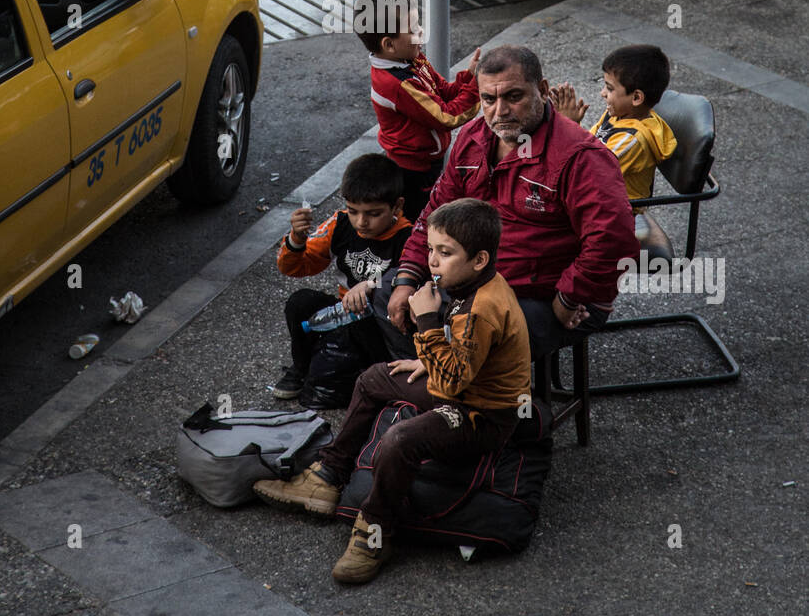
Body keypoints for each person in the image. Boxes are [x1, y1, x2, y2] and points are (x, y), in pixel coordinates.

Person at [253, 198, 530, 585]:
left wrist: (428, 323)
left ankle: (375, 531)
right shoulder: (468, 282)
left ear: (480, 259)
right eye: (431, 249)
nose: (432, 261)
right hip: (459, 384)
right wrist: (426, 358)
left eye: (445, 253)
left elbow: (452, 381)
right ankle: (327, 476)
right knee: (371, 379)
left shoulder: (482, 308)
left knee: (400, 439)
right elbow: (459, 357)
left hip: (480, 414)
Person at [387, 44, 638, 360]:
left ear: (543, 90)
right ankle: (434, 393)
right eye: (489, 100)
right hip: (473, 280)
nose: (499, 111)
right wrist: (408, 275)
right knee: (389, 293)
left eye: (513, 97)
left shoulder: (582, 158)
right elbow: (436, 213)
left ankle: (469, 401)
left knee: (472, 336)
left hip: (547, 298)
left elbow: (613, 242)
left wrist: (569, 297)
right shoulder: (472, 139)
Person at [272, 153, 413, 407]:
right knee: (300, 302)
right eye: (353, 211)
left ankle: (379, 379)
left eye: (373, 213)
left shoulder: (409, 238)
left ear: (397, 206)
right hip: (342, 311)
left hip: (379, 324)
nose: (362, 222)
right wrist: (296, 239)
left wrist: (371, 286)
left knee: (360, 325)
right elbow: (295, 267)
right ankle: (301, 368)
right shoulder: (339, 224)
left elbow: (417, 283)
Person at [353, 0, 481, 222]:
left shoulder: (409, 59)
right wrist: (477, 89)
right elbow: (446, 117)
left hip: (426, 157)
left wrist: (467, 79)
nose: (421, 32)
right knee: (421, 219)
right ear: (389, 45)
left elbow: (442, 93)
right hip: (414, 170)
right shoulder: (399, 84)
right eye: (413, 29)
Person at [549, 45, 677, 201]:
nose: (602, 93)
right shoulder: (617, 115)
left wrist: (568, 126)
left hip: (612, 213)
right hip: (595, 195)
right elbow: (587, 148)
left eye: (609, 88)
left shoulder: (631, 140)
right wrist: (572, 126)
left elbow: (582, 174)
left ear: (636, 98)